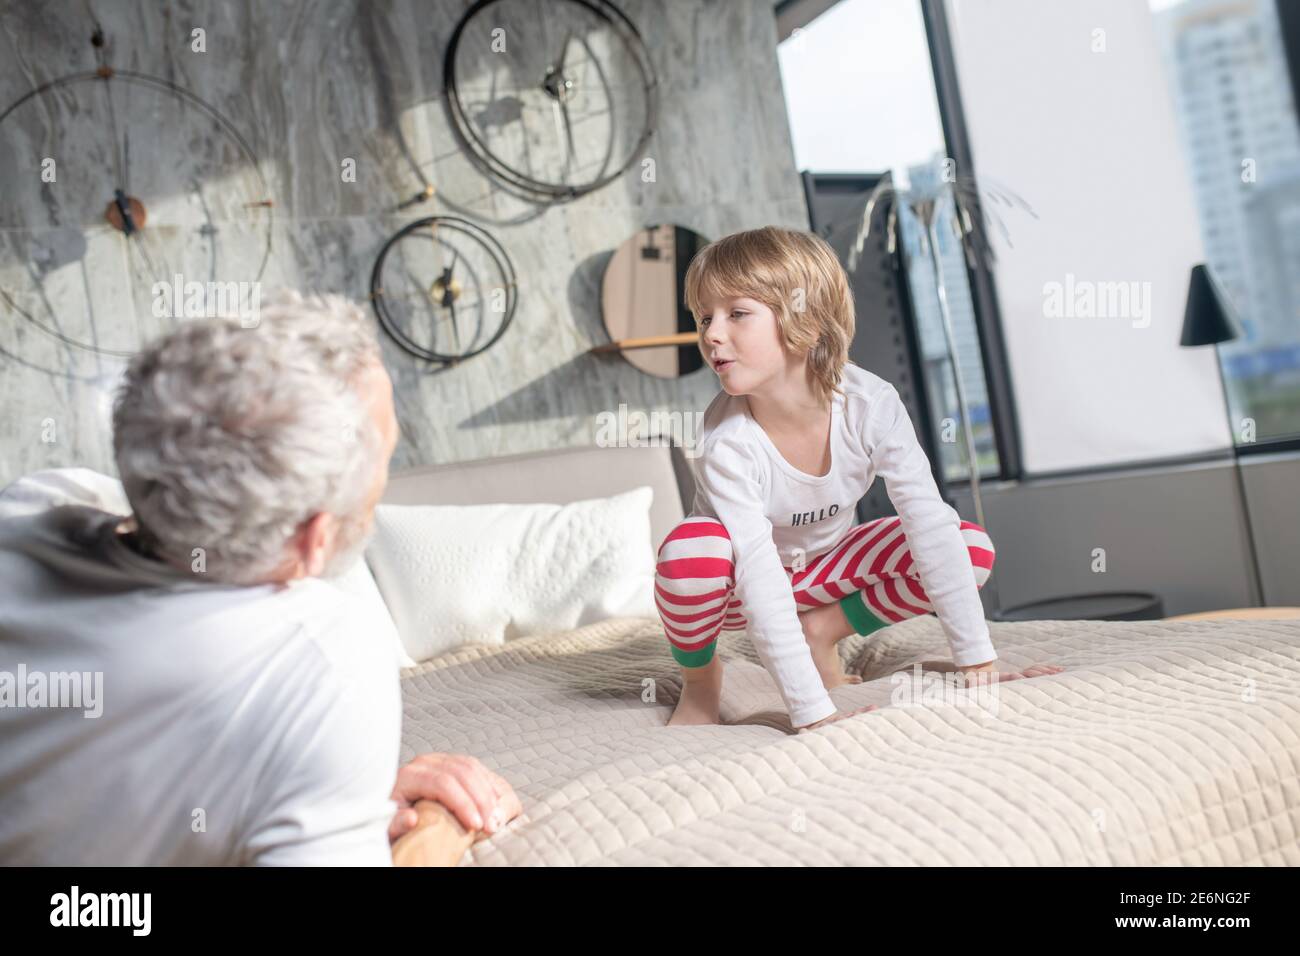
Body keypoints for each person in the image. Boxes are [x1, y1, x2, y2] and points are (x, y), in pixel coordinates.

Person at [0, 290, 520, 864]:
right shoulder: (323, 660)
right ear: (314, 538)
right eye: (384, 460)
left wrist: (333, 809)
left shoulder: (35, 505)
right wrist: (440, 827)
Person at [654, 226, 1063, 730]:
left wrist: (979, 664)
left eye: (737, 313)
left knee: (967, 546)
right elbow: (757, 572)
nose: (711, 333)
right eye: (704, 317)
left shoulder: (871, 403)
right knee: (691, 551)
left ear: (804, 315)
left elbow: (928, 522)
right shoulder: (727, 439)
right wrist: (812, 714)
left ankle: (821, 629)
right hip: (737, 589)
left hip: (825, 570)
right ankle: (701, 684)